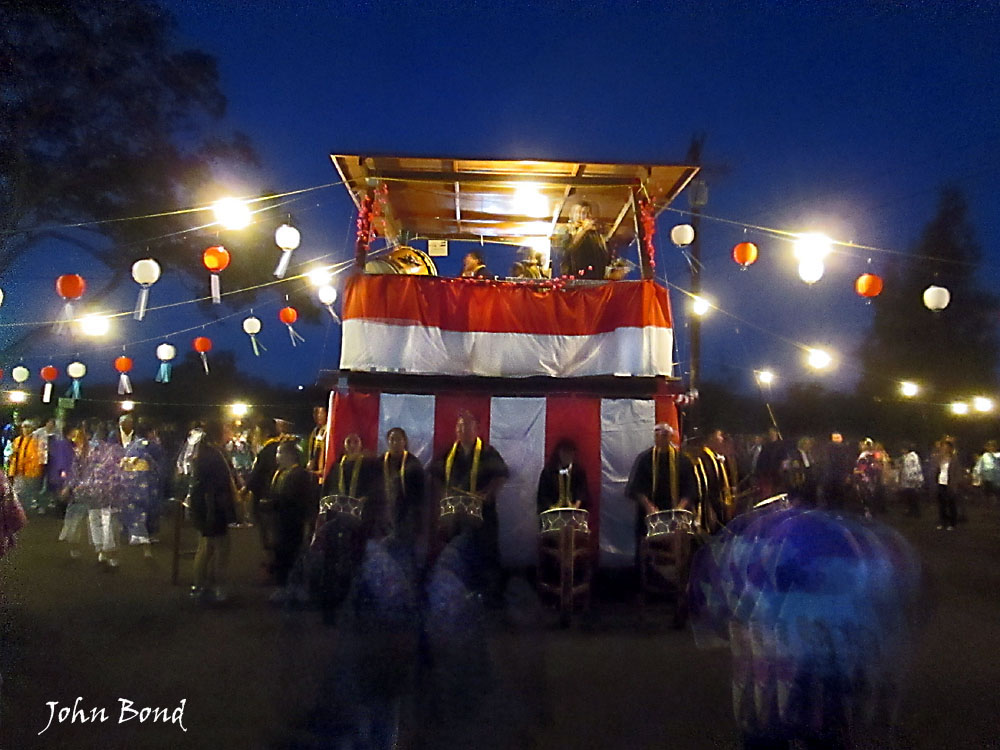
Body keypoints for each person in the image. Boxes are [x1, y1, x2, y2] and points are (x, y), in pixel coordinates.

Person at [428, 411, 508, 601]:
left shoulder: (487, 452)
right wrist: (443, 494)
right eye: (460, 426)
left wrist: (487, 494)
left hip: (482, 515)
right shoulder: (449, 453)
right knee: (457, 554)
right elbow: (433, 475)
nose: (463, 430)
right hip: (455, 516)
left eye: (467, 426)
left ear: (476, 429)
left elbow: (502, 474)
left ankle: (489, 599)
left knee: (485, 554)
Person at [625, 423, 697, 552]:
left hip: (676, 511)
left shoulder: (683, 460)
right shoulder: (645, 459)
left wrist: (680, 509)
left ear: (670, 436)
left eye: (664, 435)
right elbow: (636, 488)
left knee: (680, 549)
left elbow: (690, 488)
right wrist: (649, 507)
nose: (660, 437)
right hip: (652, 512)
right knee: (649, 552)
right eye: (657, 434)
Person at [187, 420, 238, 601]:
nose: (229, 431)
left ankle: (199, 585)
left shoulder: (204, 451)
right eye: (226, 428)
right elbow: (218, 485)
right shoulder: (214, 455)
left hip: (205, 506)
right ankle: (217, 588)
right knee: (220, 548)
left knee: (206, 546)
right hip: (213, 507)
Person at [269, 441, 318, 587]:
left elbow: (298, 500)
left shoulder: (299, 475)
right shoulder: (282, 473)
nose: (277, 457)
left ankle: (292, 586)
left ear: (289, 455)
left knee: (291, 554)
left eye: (279, 453)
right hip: (281, 522)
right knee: (282, 554)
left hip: (293, 523)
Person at [119, 421, 161, 558]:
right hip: (145, 480)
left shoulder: (131, 445)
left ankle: (131, 533)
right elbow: (159, 458)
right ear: (150, 432)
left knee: (132, 507)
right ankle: (145, 537)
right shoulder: (150, 445)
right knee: (147, 507)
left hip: (129, 479)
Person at [381, 427, 426, 547]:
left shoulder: (414, 465)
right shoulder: (380, 463)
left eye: (399, 440)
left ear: (404, 442)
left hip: (407, 516)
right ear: (387, 442)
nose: (395, 443)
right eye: (392, 440)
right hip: (383, 515)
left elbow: (419, 497)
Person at [536, 439, 590, 514]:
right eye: (564, 452)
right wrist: (551, 508)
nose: (566, 455)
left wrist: (576, 506)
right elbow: (543, 494)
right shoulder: (548, 471)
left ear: (574, 454)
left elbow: (582, 492)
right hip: (552, 513)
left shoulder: (579, 471)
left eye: (569, 452)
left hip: (575, 513)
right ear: (558, 453)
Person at [559, 201, 608, 280]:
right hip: (572, 277)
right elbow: (568, 250)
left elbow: (602, 253)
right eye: (578, 212)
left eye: (585, 213)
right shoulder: (565, 230)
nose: (581, 216)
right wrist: (583, 230)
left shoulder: (592, 233)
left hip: (593, 277)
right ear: (572, 214)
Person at [8, 420, 43, 513]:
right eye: (24, 427)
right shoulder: (17, 440)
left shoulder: (37, 441)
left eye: (28, 427)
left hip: (30, 473)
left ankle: (25, 512)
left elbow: (38, 458)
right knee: (18, 493)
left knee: (28, 494)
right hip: (18, 472)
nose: (26, 429)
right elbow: (12, 455)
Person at [929, 438, 960, 530]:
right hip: (940, 482)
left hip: (950, 483)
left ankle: (952, 523)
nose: (944, 449)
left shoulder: (954, 459)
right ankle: (943, 522)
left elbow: (957, 473)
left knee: (951, 504)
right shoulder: (939, 459)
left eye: (946, 447)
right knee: (941, 504)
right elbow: (935, 469)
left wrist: (955, 484)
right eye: (943, 447)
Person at [898, 443, 924, 517]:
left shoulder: (912, 457)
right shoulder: (905, 457)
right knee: (909, 496)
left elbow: (914, 468)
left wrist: (914, 478)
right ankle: (911, 510)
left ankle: (915, 512)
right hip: (907, 480)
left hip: (912, 479)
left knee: (913, 497)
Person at [972, 439, 1000, 505]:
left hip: (998, 480)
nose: (992, 448)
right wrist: (976, 478)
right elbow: (978, 467)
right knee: (988, 495)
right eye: (990, 446)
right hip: (987, 480)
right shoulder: (984, 456)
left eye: (993, 446)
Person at [306, 405, 328, 485]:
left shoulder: (329, 430)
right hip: (314, 468)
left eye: (321, 413)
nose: (318, 416)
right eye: (316, 414)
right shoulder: (316, 431)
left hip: (323, 469)